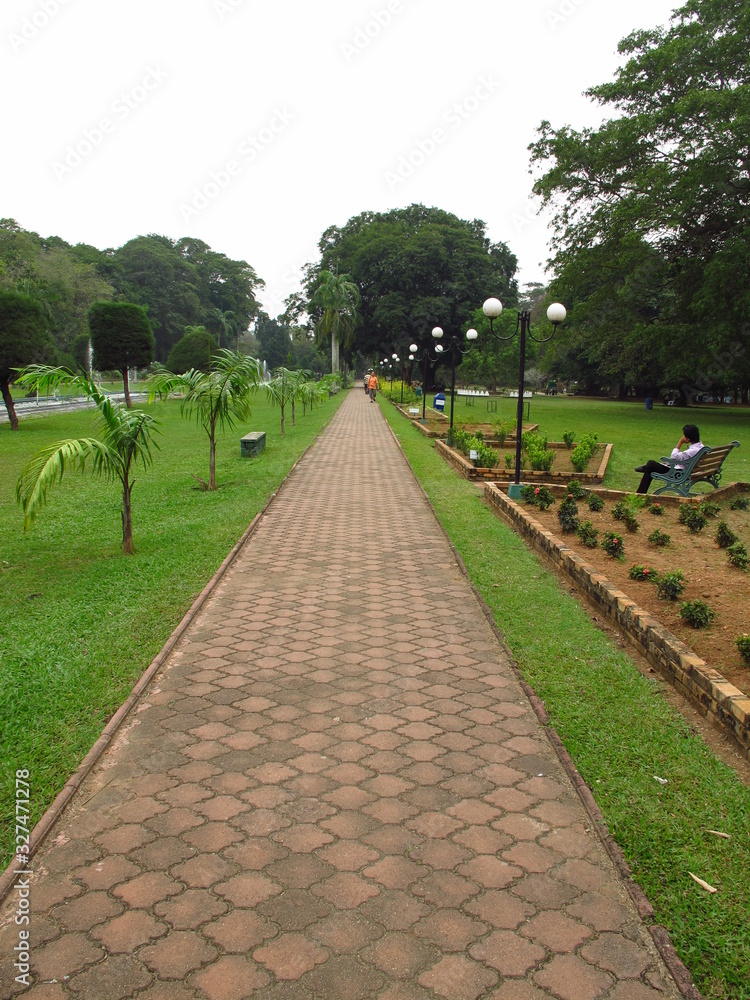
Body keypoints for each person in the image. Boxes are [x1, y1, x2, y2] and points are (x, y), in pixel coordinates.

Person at [635, 424, 705, 493]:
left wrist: (680, 442)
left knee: (651, 464)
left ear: (688, 438)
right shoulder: (701, 447)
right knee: (650, 468)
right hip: (687, 470)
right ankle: (645, 471)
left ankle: (640, 492)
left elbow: (674, 457)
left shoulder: (692, 450)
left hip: (680, 473)